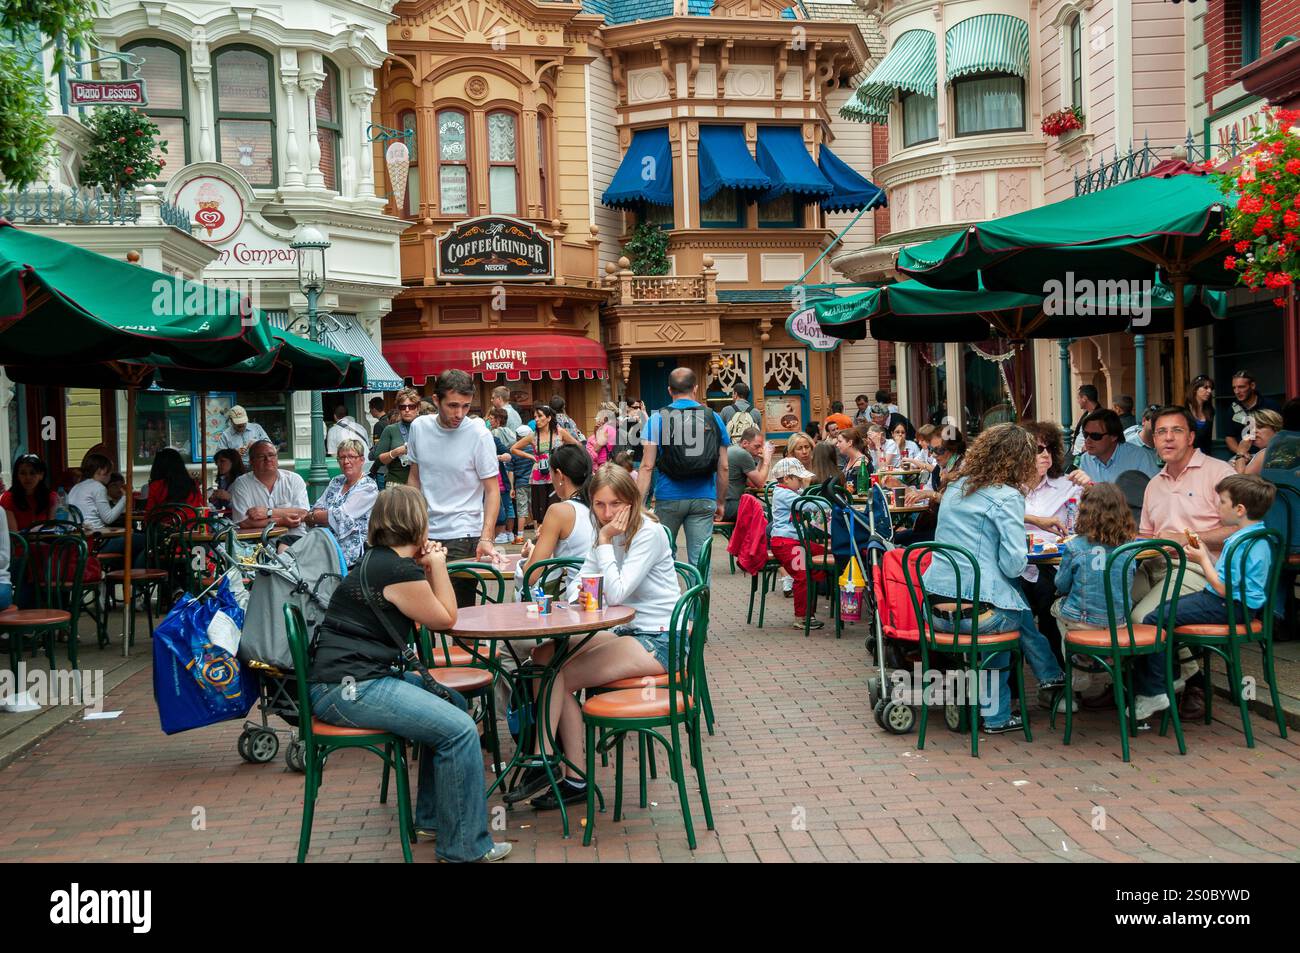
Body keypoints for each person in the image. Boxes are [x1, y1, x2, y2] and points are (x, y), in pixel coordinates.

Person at [307, 484, 510, 862]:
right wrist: (437, 565)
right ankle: (464, 847)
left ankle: (432, 819)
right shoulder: (396, 570)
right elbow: (446, 619)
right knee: (460, 730)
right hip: (349, 689)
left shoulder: (380, 561)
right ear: (416, 523)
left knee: (448, 698)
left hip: (345, 681)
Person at [510, 464, 680, 811]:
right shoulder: (602, 531)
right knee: (543, 658)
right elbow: (579, 584)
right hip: (624, 630)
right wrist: (579, 590)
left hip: (659, 638)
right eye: (599, 505)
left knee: (558, 674)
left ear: (632, 501)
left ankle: (544, 759)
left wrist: (603, 543)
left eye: (615, 504)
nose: (607, 513)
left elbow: (615, 594)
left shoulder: (649, 533)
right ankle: (572, 777)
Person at [921, 424, 1065, 734]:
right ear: (1018, 459)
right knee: (1010, 604)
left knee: (1009, 599)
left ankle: (1049, 676)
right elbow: (1014, 564)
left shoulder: (955, 485)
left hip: (934, 609)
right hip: (978, 617)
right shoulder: (1008, 495)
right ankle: (1017, 702)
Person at [1135, 474, 1277, 721]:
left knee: (1154, 619)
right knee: (1164, 612)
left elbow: (1224, 588)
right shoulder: (1256, 536)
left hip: (1227, 606)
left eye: (1222, 502)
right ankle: (1174, 677)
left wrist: (1201, 560)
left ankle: (1155, 690)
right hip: (1232, 603)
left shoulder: (1240, 543)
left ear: (1240, 509)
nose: (1218, 507)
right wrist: (1204, 556)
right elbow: (1228, 574)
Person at [1130, 406, 1237, 718]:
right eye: (1161, 432)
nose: (1167, 438)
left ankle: (1186, 683)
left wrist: (1188, 537)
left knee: (1142, 617)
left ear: (1191, 436)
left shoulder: (1218, 473)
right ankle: (1156, 679)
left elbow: (1239, 529)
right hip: (1155, 565)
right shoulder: (1154, 483)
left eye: (1176, 431)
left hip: (1200, 567)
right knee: (1112, 604)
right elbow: (1145, 536)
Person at [407, 369, 502, 607]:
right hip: (426, 533)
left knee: (461, 615)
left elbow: (492, 490)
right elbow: (414, 479)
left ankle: (466, 645)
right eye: (452, 405)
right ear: (436, 400)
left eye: (466, 406)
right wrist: (414, 527)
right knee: (421, 610)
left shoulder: (479, 434)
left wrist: (486, 538)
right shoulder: (419, 427)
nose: (459, 413)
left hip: (464, 533)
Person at [1051, 482, 1139, 706]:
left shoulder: (1075, 547)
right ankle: (1101, 660)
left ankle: (1077, 662)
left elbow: (1061, 584)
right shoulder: (1130, 546)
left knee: (1056, 608)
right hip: (1118, 621)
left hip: (1082, 622)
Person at [636, 367, 730, 567]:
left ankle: (670, 598)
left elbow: (646, 466)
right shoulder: (714, 417)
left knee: (664, 557)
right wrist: (720, 501)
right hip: (704, 497)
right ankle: (698, 598)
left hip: (668, 497)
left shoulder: (657, 419)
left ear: (670, 390)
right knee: (700, 561)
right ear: (695, 388)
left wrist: (638, 503)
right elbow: (723, 467)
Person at [1019, 421, 1075, 672]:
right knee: (1014, 614)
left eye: (1049, 448)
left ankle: (1058, 682)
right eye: (1038, 449)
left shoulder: (1066, 485)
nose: (1045, 454)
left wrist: (1089, 485)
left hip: (1053, 565)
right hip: (1015, 565)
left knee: (1049, 604)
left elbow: (1094, 517)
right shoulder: (1008, 488)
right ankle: (1012, 691)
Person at [516, 444, 595, 600]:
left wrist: (532, 551)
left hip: (580, 599)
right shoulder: (599, 505)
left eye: (551, 473)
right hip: (604, 593)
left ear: (559, 475)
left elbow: (531, 575)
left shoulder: (558, 511)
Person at [767, 456, 828, 629]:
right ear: (787, 479)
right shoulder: (783, 493)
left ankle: (817, 579)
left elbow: (803, 497)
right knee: (802, 576)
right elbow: (808, 504)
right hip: (786, 544)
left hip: (794, 542)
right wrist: (826, 501)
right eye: (799, 479)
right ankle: (802, 617)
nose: (801, 483)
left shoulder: (790, 491)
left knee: (821, 553)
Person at [306, 440, 379, 566]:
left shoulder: (368, 487)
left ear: (361, 460)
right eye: (342, 457)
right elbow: (317, 507)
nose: (346, 462)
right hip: (324, 543)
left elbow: (339, 515)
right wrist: (317, 515)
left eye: (351, 456)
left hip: (350, 551)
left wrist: (312, 517)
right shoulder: (336, 481)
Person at [511, 404, 580, 528]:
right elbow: (514, 448)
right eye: (535, 417)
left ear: (548, 418)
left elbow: (577, 445)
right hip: (538, 476)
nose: (536, 419)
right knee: (540, 511)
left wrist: (564, 457)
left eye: (540, 416)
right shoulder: (533, 436)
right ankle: (541, 536)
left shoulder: (559, 432)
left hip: (556, 475)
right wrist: (531, 457)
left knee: (556, 506)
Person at [69, 453, 142, 565]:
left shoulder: (76, 487)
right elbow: (108, 518)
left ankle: (123, 574)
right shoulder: (98, 487)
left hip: (78, 542)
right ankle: (136, 577)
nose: (110, 475)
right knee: (145, 540)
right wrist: (125, 497)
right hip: (97, 543)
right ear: (101, 471)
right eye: (109, 471)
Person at [229, 440, 310, 534]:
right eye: (261, 456)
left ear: (277, 458)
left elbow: (303, 514)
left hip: (296, 540)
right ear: (251, 461)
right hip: (258, 544)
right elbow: (244, 522)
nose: (268, 459)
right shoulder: (241, 483)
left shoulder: (294, 479)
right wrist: (280, 521)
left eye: (271, 455)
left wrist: (268, 512)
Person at [1068, 409, 1160, 486]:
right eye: (1085, 434)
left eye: (1095, 436)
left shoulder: (1140, 457)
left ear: (1113, 436)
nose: (1087, 440)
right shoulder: (1085, 459)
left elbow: (1156, 492)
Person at [371, 387, 420, 497]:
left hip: (422, 484)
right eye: (403, 407)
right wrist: (396, 452)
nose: (407, 410)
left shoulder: (426, 428)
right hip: (396, 484)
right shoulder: (391, 429)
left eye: (411, 406)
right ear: (398, 409)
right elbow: (378, 460)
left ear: (418, 408)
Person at [1225, 370, 1280, 456]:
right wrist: (1241, 453)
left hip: (1269, 454)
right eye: (1234, 388)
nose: (1237, 391)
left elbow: (1280, 432)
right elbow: (1229, 437)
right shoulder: (1232, 409)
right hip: (1243, 455)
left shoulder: (1270, 405)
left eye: (1241, 387)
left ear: (1252, 386)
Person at [724, 427, 772, 522]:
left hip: (719, 506)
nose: (759, 450)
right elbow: (760, 483)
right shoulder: (743, 454)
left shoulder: (733, 449)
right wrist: (767, 459)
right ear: (745, 443)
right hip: (730, 506)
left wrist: (761, 460)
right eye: (757, 446)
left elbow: (751, 483)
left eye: (761, 447)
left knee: (764, 511)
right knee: (771, 514)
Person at [2, 453, 58, 532]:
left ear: (41, 475)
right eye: (23, 473)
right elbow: (14, 536)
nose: (28, 477)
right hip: (21, 543)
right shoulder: (8, 498)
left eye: (32, 473)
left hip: (47, 542)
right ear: (17, 476)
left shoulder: (51, 497)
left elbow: (52, 528)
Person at [143, 448, 205, 514]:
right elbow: (201, 508)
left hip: (165, 523)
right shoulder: (193, 484)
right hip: (191, 523)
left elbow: (149, 512)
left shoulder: (156, 486)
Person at [488, 408, 518, 545]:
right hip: (506, 471)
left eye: (491, 418)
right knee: (507, 507)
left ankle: (502, 533)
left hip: (500, 475)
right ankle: (508, 532)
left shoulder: (494, 435)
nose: (489, 421)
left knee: (502, 507)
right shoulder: (510, 432)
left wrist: (497, 457)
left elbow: (507, 453)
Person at [1235, 409, 1284, 476]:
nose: (1254, 431)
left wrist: (1240, 453)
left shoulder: (1266, 453)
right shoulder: (1280, 450)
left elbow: (1238, 482)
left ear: (1276, 430)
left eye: (1260, 427)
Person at [1124, 404, 1162, 472]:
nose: (1159, 425)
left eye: (1162, 421)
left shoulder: (1167, 443)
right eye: (1154, 421)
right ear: (1144, 421)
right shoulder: (1129, 445)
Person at [207, 449, 245, 518]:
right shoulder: (222, 480)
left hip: (241, 519)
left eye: (222, 461)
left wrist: (229, 498)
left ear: (233, 462)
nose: (218, 464)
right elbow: (218, 507)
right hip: (227, 518)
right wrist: (213, 498)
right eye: (217, 462)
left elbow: (246, 505)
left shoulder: (243, 481)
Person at [1185, 376, 1215, 454]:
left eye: (1211, 388)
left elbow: (1208, 440)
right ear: (1195, 389)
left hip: (1206, 457)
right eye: (1205, 387)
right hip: (1188, 456)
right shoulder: (1185, 412)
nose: (1209, 391)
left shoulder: (1210, 411)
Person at [1069, 385, 1101, 455]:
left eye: (1078, 398)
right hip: (1076, 454)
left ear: (1084, 398)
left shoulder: (1099, 416)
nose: (1078, 401)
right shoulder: (1087, 414)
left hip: (1085, 456)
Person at [586, 402, 619, 468]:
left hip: (602, 464)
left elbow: (596, 449)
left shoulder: (606, 428)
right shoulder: (614, 426)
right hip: (608, 462)